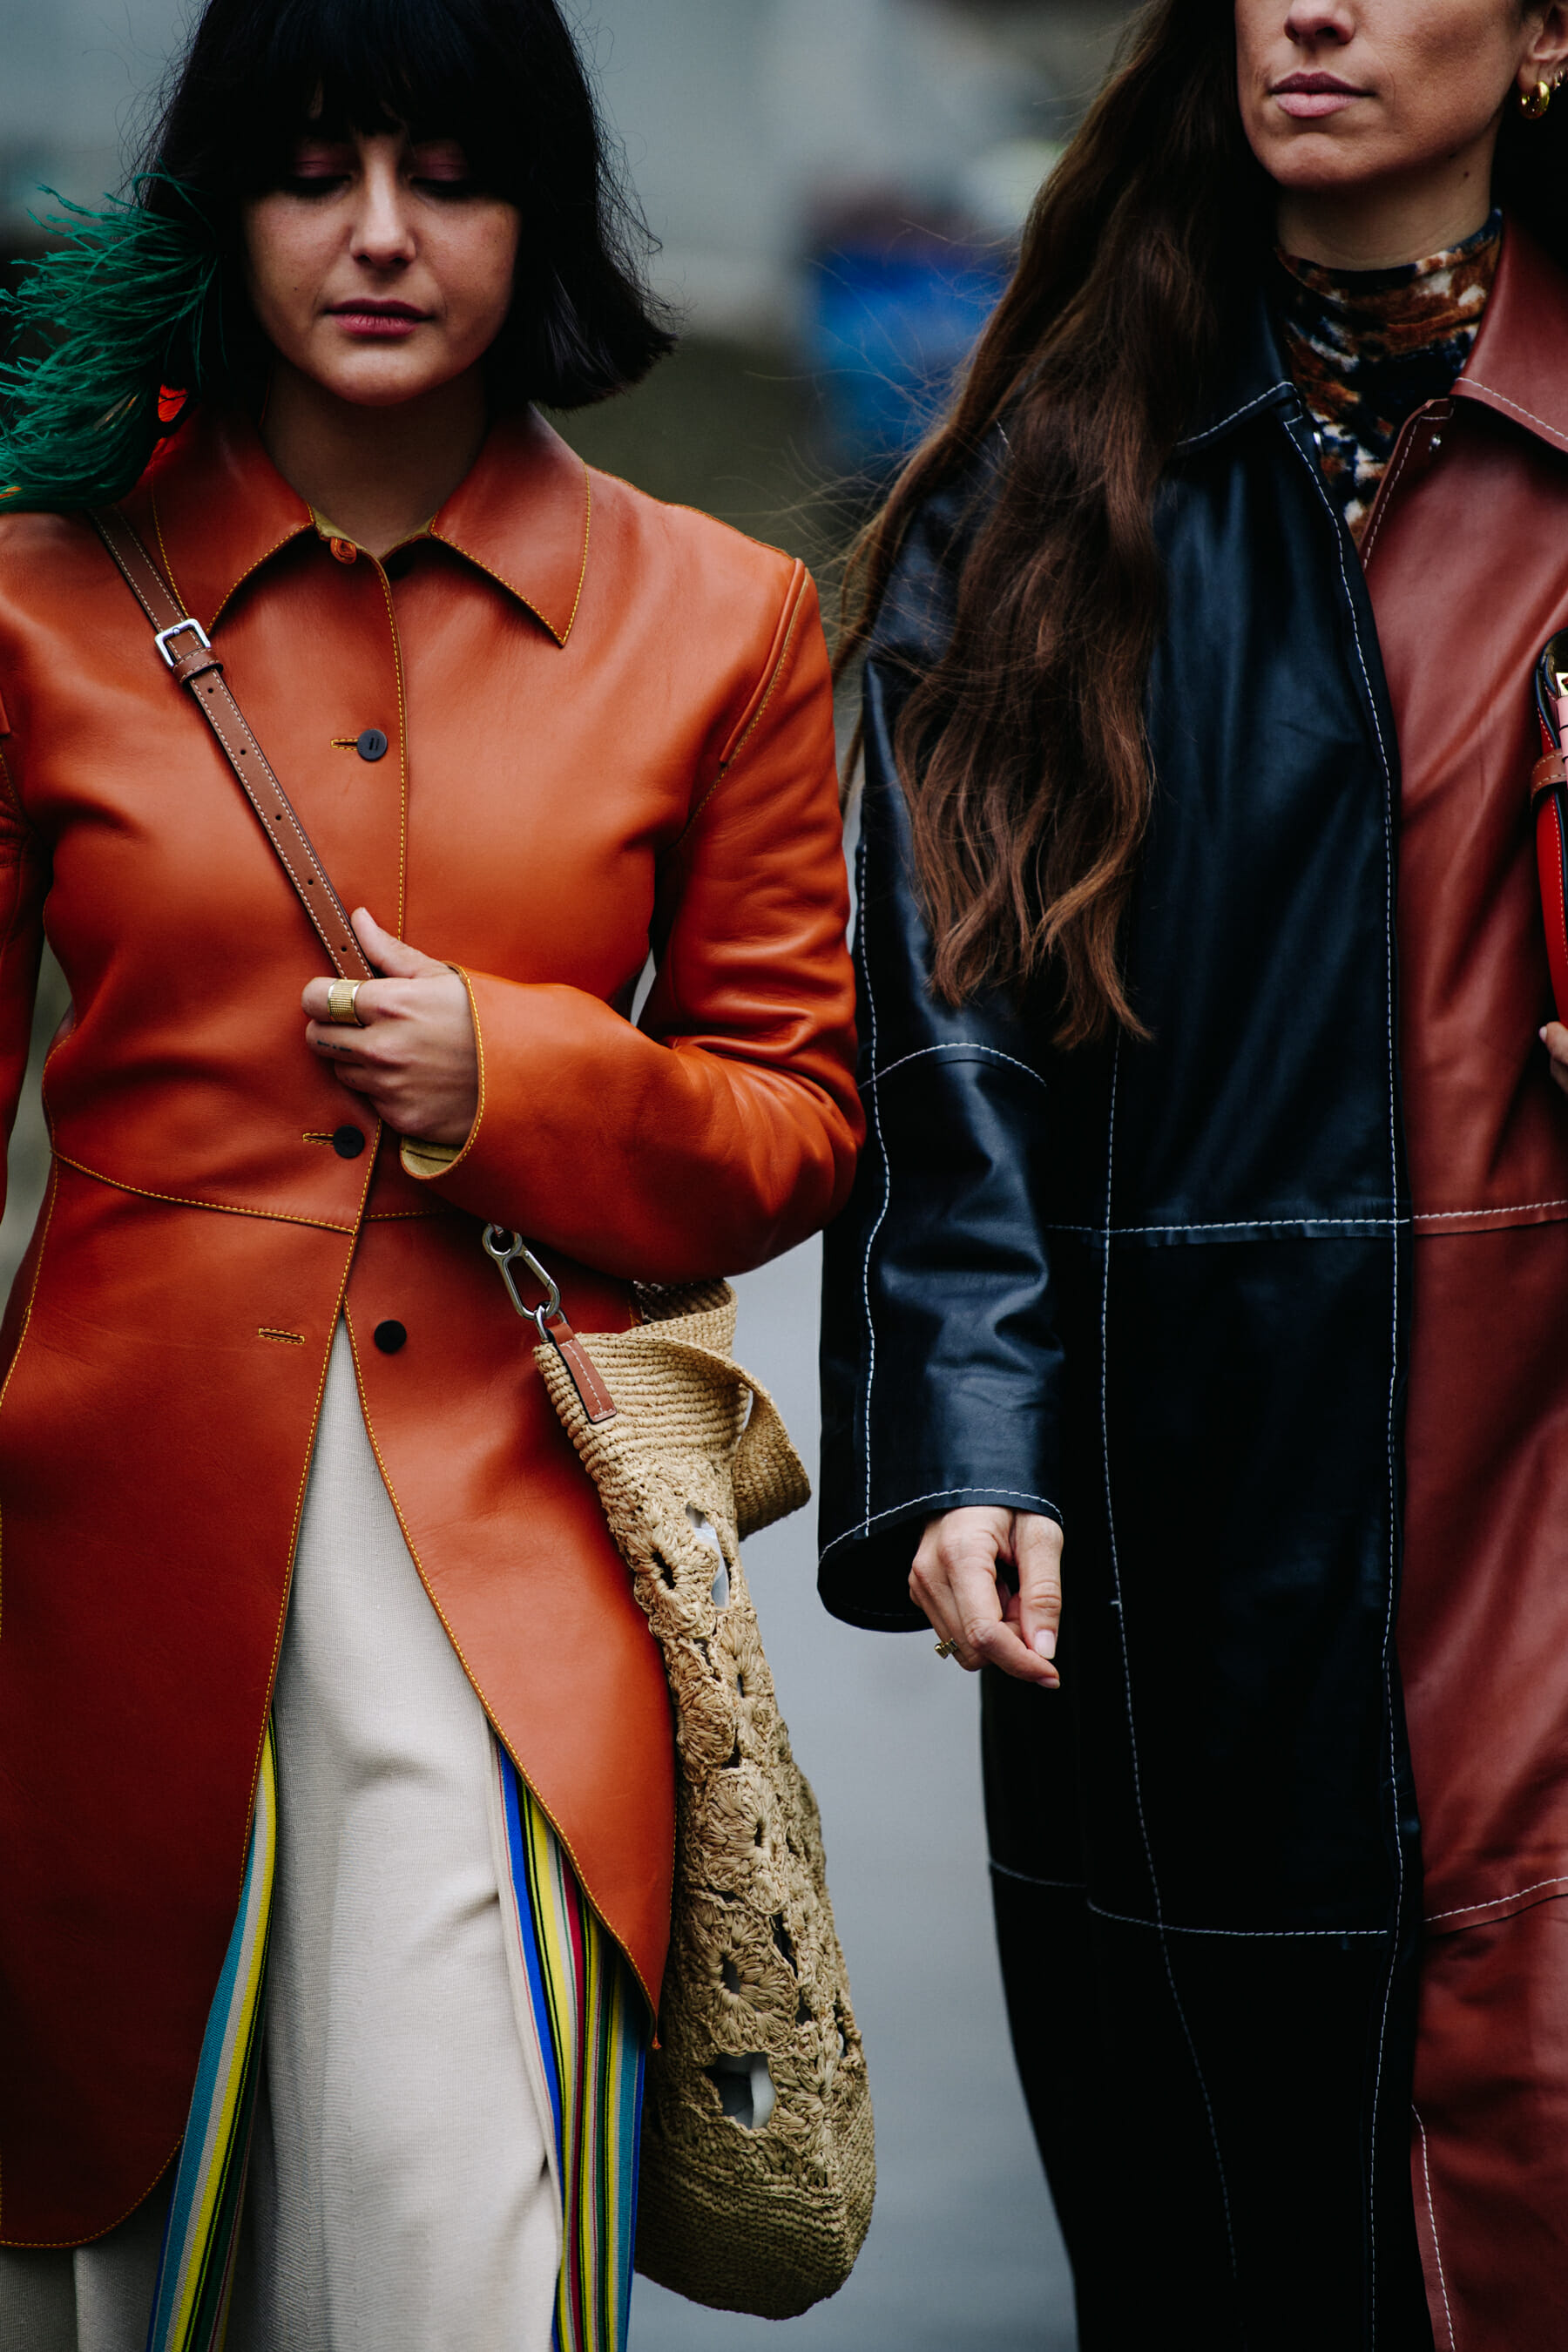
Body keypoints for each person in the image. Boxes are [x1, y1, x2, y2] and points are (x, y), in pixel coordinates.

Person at [0, 2, 861, 2346]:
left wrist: (522, 1075)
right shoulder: (34, 599)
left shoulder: (723, 617)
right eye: (310, 168)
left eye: (451, 173)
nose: (379, 231)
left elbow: (795, 1114)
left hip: (511, 1572)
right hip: (84, 1570)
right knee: (94, 2237)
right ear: (224, 214)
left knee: (450, 2255)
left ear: (540, 217)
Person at [819, 0, 1568, 2340]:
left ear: (1545, 35)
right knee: (1225, 2249)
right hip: (1176, 1562)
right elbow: (949, 1030)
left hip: (1534, 1503)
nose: (1315, 7)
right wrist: (969, 1423)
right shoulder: (1045, 487)